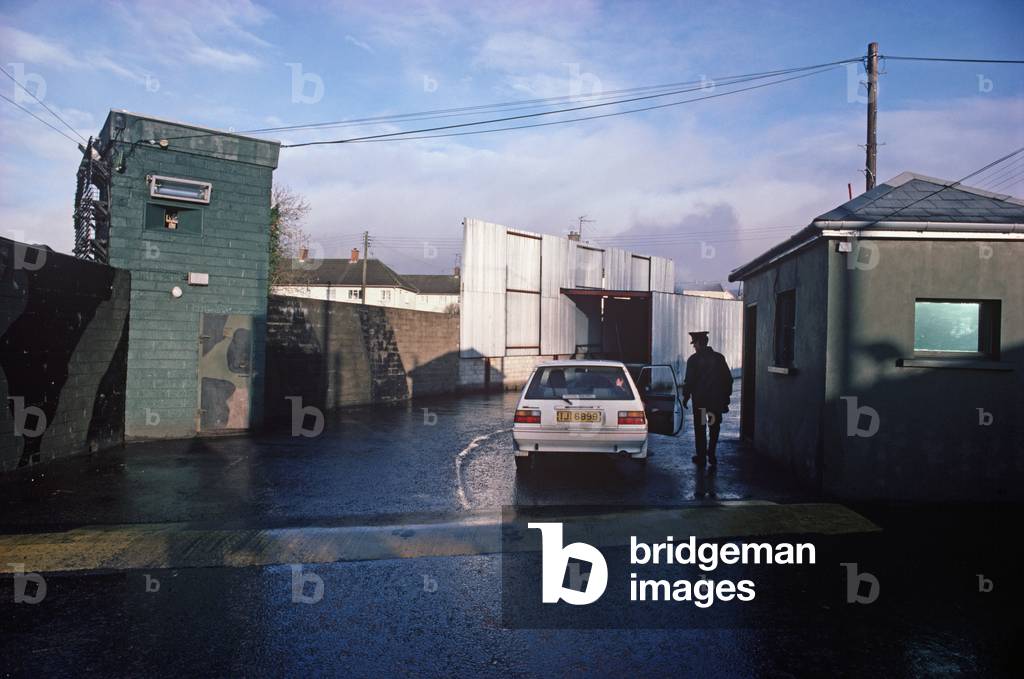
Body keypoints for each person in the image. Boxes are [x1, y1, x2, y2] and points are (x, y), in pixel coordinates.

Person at [681, 331, 733, 467]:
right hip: (715, 404)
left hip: (701, 403)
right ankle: (711, 454)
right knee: (713, 428)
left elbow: (690, 381)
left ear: (699, 343)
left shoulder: (694, 360)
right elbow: (728, 379)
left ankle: (701, 456)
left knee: (701, 428)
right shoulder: (719, 358)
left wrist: (685, 397)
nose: (694, 347)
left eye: (694, 343)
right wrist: (726, 398)